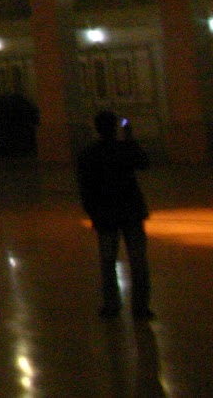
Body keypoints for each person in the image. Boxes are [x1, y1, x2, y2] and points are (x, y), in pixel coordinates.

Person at [77, 110, 152, 320]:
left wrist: (92, 212)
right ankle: (141, 307)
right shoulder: (124, 150)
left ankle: (111, 305)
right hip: (130, 212)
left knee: (108, 262)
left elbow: (85, 187)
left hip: (106, 214)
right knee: (138, 262)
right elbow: (144, 163)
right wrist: (130, 139)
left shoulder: (90, 153)